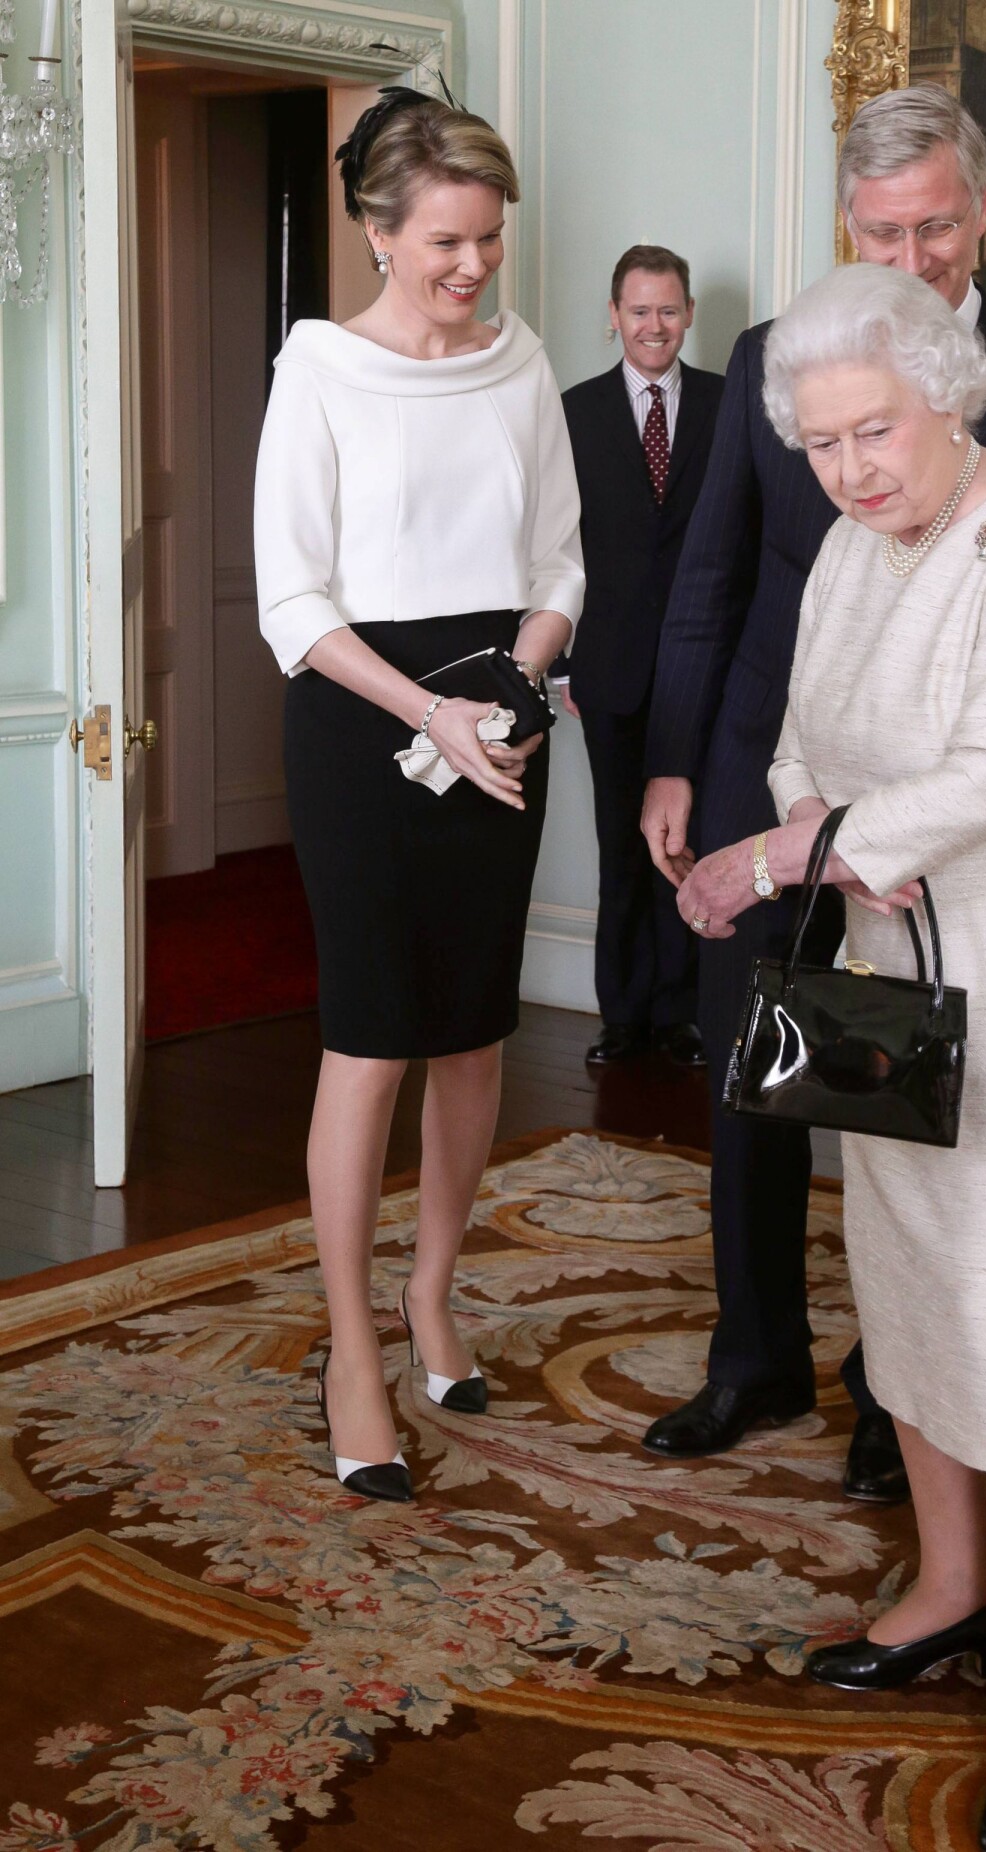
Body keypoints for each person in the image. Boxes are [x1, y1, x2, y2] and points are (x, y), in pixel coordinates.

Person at [677, 259, 986, 1852]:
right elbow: (800, 739)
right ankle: (954, 1584)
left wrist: (782, 858)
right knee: (907, 1270)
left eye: (874, 430)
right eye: (820, 444)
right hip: (891, 950)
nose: (850, 471)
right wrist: (823, 830)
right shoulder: (850, 546)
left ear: (948, 395)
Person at [638, 85, 986, 1502]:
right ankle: (758, 1357)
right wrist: (687, 762)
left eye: (933, 228)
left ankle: (893, 1394)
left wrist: (883, 833)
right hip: (782, 765)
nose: (908, 257)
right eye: (879, 232)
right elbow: (718, 573)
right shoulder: (775, 359)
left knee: (917, 1106)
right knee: (760, 1070)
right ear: (845, 224)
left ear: (980, 214)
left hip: (962, 822)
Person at [254, 89, 584, 1502]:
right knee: (375, 1037)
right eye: (447, 240)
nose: (473, 265)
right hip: (362, 724)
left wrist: (514, 684)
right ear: (379, 232)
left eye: (488, 238)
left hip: (498, 719)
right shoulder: (320, 368)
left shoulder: (523, 362)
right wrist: (429, 711)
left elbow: (562, 561)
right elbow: (291, 599)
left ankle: (432, 1293)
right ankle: (351, 1347)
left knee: (472, 1031)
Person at [555, 246, 724, 1067]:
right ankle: (624, 1016)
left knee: (692, 842)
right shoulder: (572, 412)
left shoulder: (729, 405)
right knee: (623, 846)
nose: (654, 326)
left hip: (707, 674)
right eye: (639, 310)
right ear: (614, 316)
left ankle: (683, 1012)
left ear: (689, 314)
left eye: (668, 310)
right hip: (609, 670)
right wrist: (560, 663)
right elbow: (548, 546)